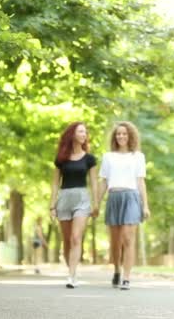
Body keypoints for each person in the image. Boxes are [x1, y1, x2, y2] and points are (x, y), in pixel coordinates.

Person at [98, 121, 150, 291]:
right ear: (115, 137)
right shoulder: (108, 157)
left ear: (130, 136)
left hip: (131, 197)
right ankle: (116, 270)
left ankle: (127, 278)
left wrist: (145, 205)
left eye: (124, 134)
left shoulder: (138, 156)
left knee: (128, 238)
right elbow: (104, 182)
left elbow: (141, 181)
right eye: (118, 134)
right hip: (114, 197)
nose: (121, 136)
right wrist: (96, 204)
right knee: (115, 241)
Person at [48, 122, 99, 288]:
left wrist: (96, 203)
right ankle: (71, 269)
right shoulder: (61, 159)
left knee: (76, 237)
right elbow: (55, 183)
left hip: (82, 199)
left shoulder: (89, 159)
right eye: (81, 131)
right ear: (73, 135)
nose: (84, 134)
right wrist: (52, 205)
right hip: (64, 199)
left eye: (85, 132)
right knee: (67, 240)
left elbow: (94, 183)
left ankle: (72, 275)